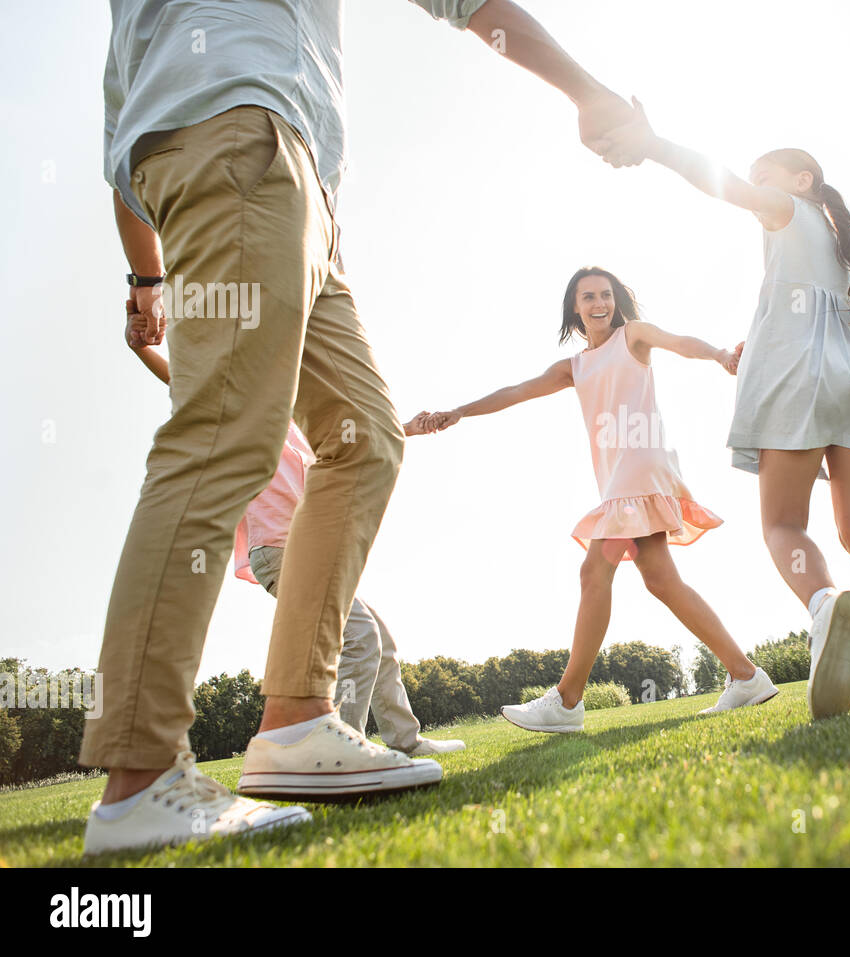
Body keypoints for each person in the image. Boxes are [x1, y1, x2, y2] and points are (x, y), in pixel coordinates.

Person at [83, 0, 653, 855]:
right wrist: (587, 91)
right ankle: (139, 774)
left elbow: (121, 123)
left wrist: (144, 276)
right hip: (240, 132)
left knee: (365, 437)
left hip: (293, 181)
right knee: (223, 433)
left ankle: (296, 724)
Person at [601, 108, 850, 719]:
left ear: (801, 180)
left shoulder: (787, 209)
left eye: (766, 174)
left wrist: (654, 143)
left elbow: (719, 185)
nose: (756, 183)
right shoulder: (838, 240)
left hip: (801, 378)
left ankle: (822, 607)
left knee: (783, 525)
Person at [407, 267, 777, 732]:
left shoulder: (634, 337)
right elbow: (517, 392)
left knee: (594, 569)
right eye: (588, 297)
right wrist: (459, 412)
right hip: (624, 480)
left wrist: (721, 354)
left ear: (616, 301)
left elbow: (679, 341)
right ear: (575, 309)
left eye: (606, 294)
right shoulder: (574, 367)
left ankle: (566, 700)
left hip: (640, 471)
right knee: (661, 581)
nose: (599, 303)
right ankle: (746, 676)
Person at [122, 326, 464, 757]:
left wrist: (407, 429)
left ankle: (405, 741)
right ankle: (341, 749)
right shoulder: (235, 410)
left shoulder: (295, 422)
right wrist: (142, 349)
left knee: (380, 638)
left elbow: (351, 440)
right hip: (280, 551)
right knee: (360, 638)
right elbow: (181, 379)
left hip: (309, 548)